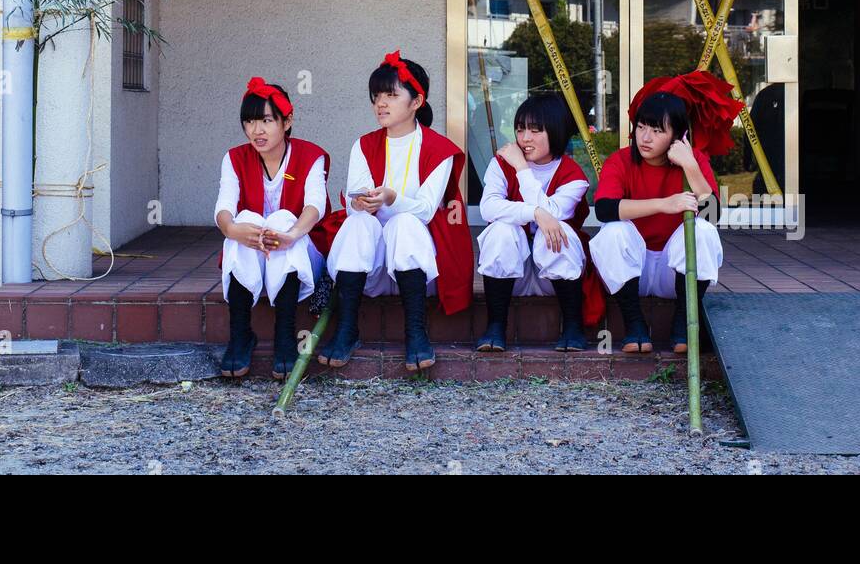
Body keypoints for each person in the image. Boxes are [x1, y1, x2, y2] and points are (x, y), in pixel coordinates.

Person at [318, 51, 472, 372]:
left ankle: (415, 331)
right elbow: (352, 198)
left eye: (391, 95)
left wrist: (390, 197)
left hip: (417, 267)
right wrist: (361, 202)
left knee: (404, 221)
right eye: (376, 97)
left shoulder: (439, 149)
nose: (380, 104)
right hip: (369, 266)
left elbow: (428, 210)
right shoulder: (363, 144)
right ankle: (348, 329)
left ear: (416, 101)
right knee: (358, 221)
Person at [590, 71, 742, 355]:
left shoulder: (694, 161)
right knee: (613, 231)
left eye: (658, 130)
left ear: (677, 135)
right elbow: (604, 209)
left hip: (675, 272)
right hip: (632, 267)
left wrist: (691, 166)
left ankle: (683, 324)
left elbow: (711, 216)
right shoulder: (620, 160)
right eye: (642, 127)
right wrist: (664, 204)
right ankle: (634, 324)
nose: (645, 138)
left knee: (703, 231)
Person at [214, 77, 330, 379]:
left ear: (287, 121)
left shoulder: (310, 156)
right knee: (244, 220)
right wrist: (232, 229)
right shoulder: (235, 157)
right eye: (250, 121)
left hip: (301, 250)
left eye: (266, 120)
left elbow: (314, 206)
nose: (257, 130)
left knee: (282, 219)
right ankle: (241, 334)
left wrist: (290, 235)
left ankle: (284, 335)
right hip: (253, 252)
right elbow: (224, 205)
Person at [475, 92, 605, 352]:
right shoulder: (501, 163)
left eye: (535, 130)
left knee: (559, 231)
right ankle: (495, 326)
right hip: (515, 271)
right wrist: (534, 213)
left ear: (555, 131)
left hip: (557, 275)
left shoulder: (574, 175)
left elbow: (554, 214)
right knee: (500, 230)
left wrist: (522, 170)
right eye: (521, 129)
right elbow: (488, 208)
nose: (524, 138)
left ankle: (572, 326)